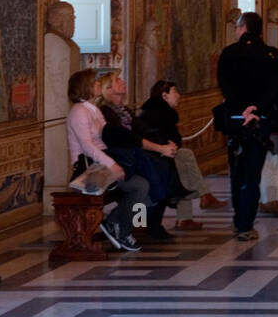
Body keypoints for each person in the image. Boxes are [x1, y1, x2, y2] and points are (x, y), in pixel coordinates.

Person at [216, 11, 278, 241]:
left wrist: (241, 108)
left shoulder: (228, 53)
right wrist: (255, 108)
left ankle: (239, 219)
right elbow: (275, 87)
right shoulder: (272, 55)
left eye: (237, 27)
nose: (236, 31)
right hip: (260, 120)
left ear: (243, 28)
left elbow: (225, 86)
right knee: (253, 174)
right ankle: (246, 223)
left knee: (237, 171)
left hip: (236, 120)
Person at [65, 69, 149, 252]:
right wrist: (112, 165)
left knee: (142, 181)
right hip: (87, 171)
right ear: (85, 87)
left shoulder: (92, 109)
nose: (98, 85)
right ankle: (119, 227)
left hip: (101, 164)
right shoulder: (79, 112)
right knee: (139, 185)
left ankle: (115, 223)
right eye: (94, 83)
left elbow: (107, 134)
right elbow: (88, 146)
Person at [98, 75, 182, 240]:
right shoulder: (105, 112)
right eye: (117, 80)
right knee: (152, 178)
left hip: (132, 156)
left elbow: (143, 130)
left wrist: (164, 143)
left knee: (162, 167)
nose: (122, 81)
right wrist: (159, 148)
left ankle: (148, 222)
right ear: (108, 89)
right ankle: (141, 223)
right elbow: (126, 138)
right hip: (120, 160)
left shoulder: (124, 109)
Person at [138, 80, 225, 231]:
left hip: (161, 153)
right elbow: (164, 139)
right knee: (184, 159)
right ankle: (203, 197)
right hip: (153, 157)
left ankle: (190, 213)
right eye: (175, 92)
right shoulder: (159, 114)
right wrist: (167, 146)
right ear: (164, 96)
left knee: (184, 160)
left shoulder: (161, 112)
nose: (179, 96)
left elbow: (174, 141)